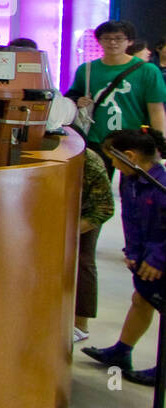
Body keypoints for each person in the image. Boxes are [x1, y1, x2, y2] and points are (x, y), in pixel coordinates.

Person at [82, 127, 166, 385]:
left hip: (159, 258)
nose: (113, 164)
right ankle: (122, 351)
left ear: (130, 155)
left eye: (114, 158)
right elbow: (130, 219)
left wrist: (157, 259)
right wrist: (132, 251)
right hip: (143, 254)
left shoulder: (159, 185)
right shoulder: (131, 181)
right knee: (141, 300)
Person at [64, 19, 166, 173]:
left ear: (130, 41)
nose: (112, 43)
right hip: (96, 139)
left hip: (134, 141)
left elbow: (156, 109)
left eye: (118, 38)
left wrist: (159, 143)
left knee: (133, 190)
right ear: (99, 41)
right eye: (107, 38)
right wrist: (78, 100)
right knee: (98, 189)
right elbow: (72, 96)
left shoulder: (148, 71)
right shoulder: (86, 70)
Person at [74, 142, 115, 342]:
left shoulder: (91, 165)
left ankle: (81, 324)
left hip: (89, 212)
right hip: (64, 208)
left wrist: (74, 231)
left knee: (83, 260)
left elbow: (105, 208)